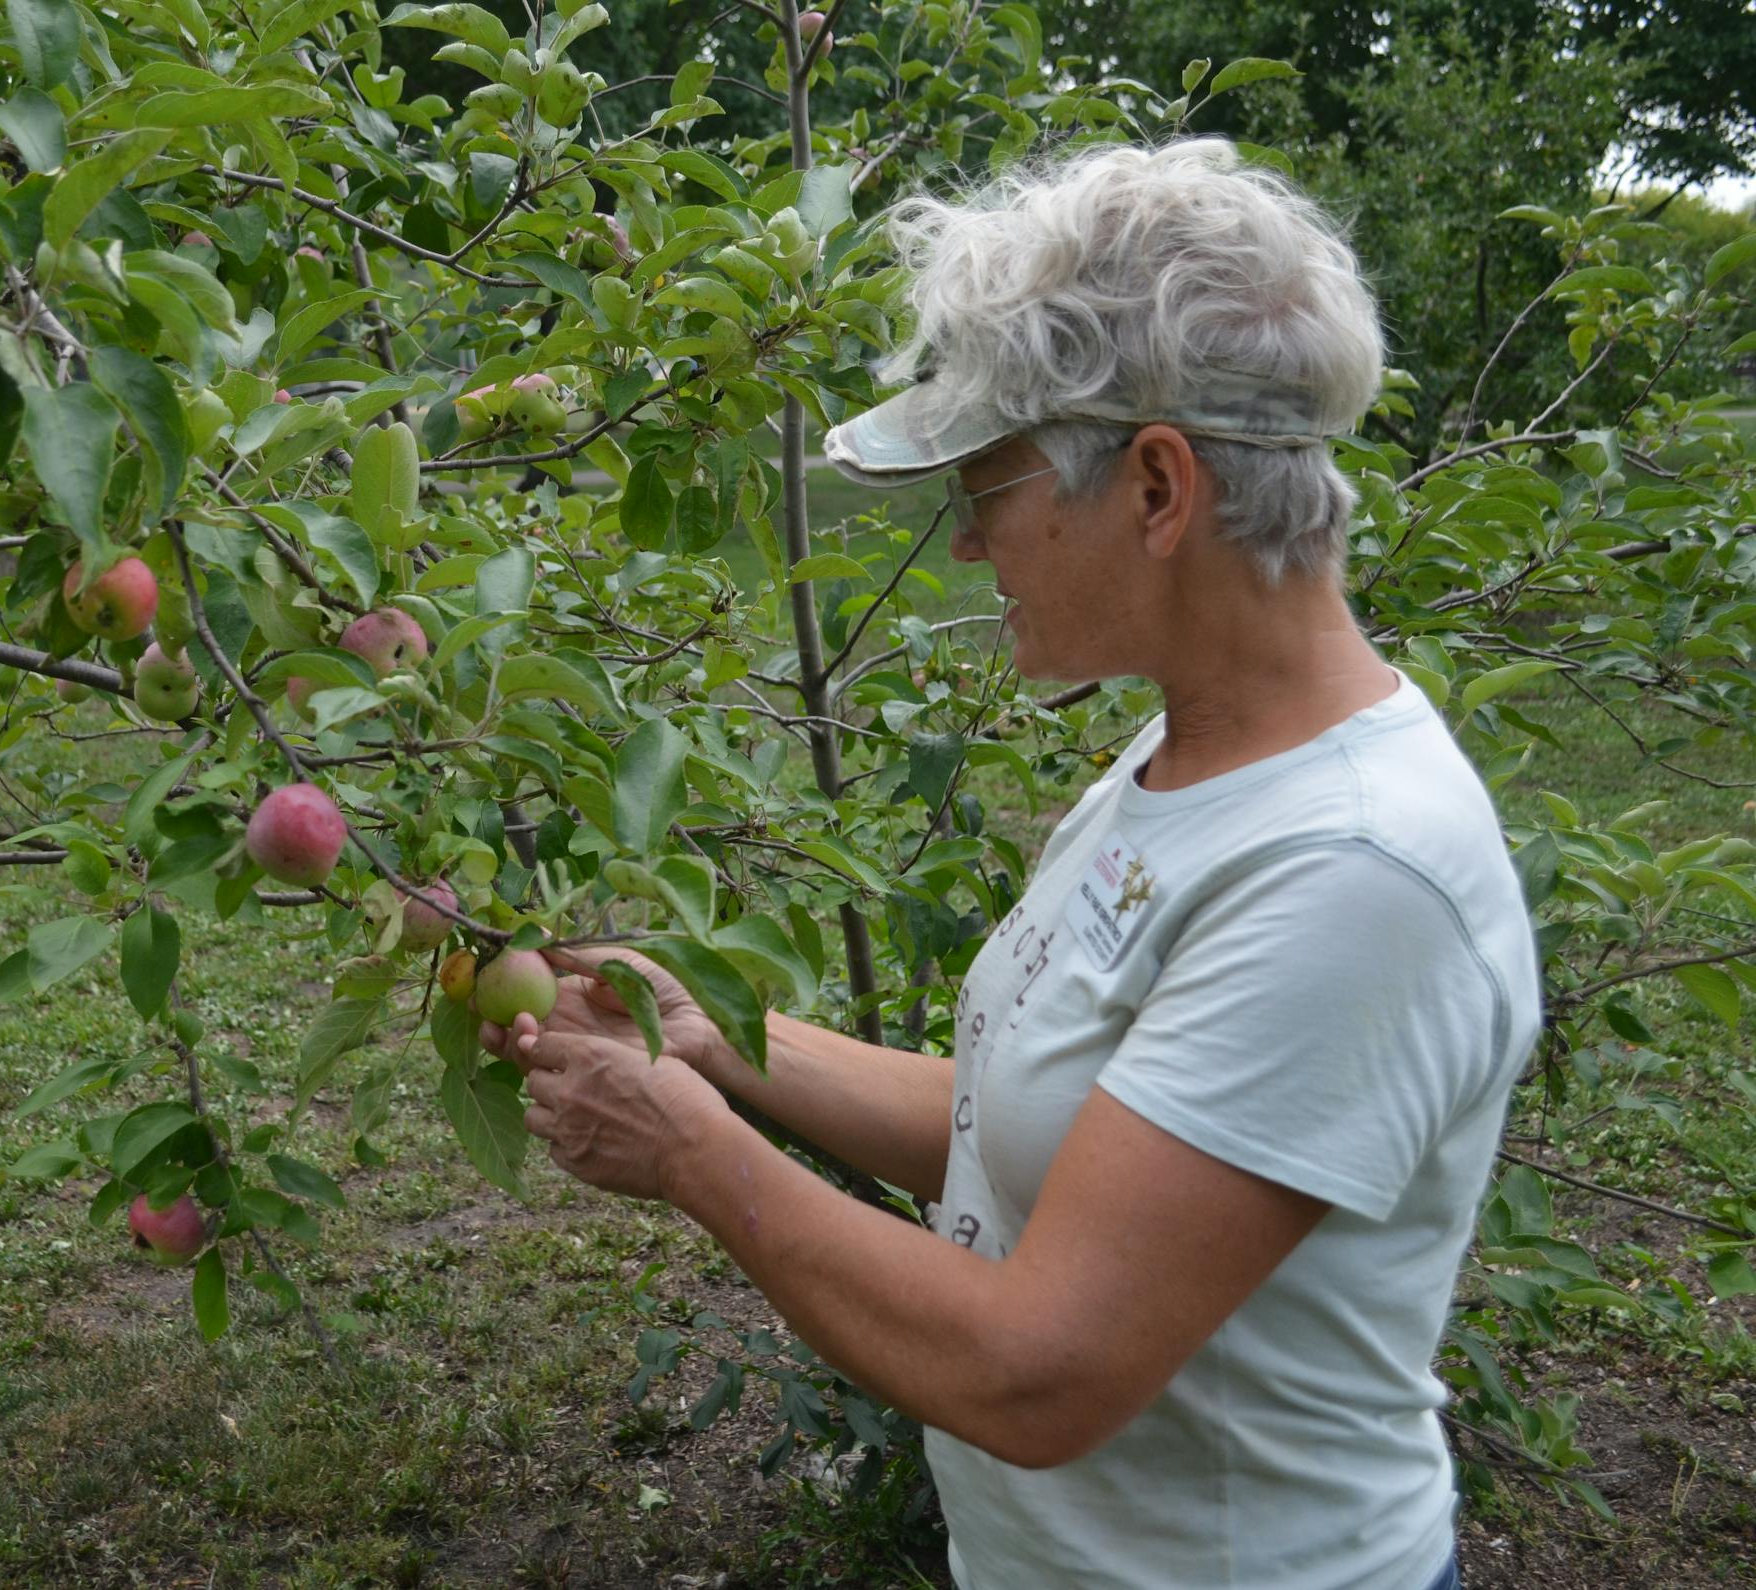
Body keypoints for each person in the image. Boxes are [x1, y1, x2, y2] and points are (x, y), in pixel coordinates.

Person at [476, 138, 1539, 1590]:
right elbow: (1027, 1128)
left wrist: (689, 1150)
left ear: (1158, 489)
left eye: (989, 485)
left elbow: (1043, 1369)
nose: (970, 545)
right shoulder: (1182, 765)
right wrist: (725, 1045)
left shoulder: (1353, 872)